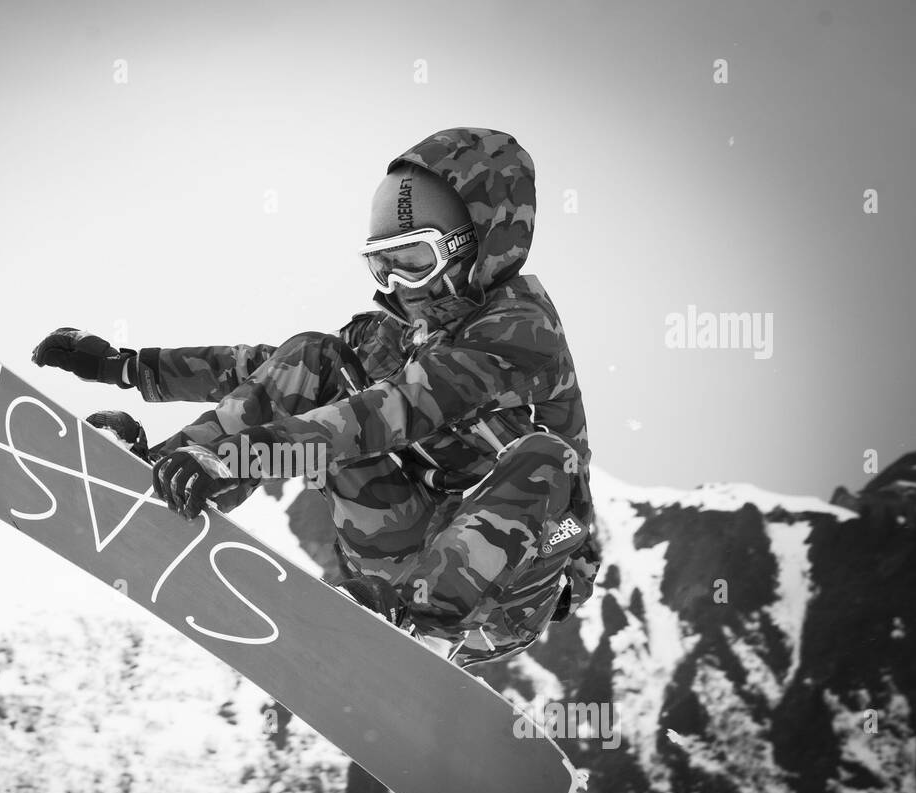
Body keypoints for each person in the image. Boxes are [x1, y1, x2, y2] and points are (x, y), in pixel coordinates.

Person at [33, 127, 601, 664]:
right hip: (399, 550)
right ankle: (165, 483)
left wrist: (242, 457)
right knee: (313, 356)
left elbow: (391, 412)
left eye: (415, 263)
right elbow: (264, 369)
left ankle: (418, 634)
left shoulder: (521, 332)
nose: (400, 287)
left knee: (546, 460)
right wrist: (127, 367)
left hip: (511, 581)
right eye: (384, 267)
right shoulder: (401, 330)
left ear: (481, 247)